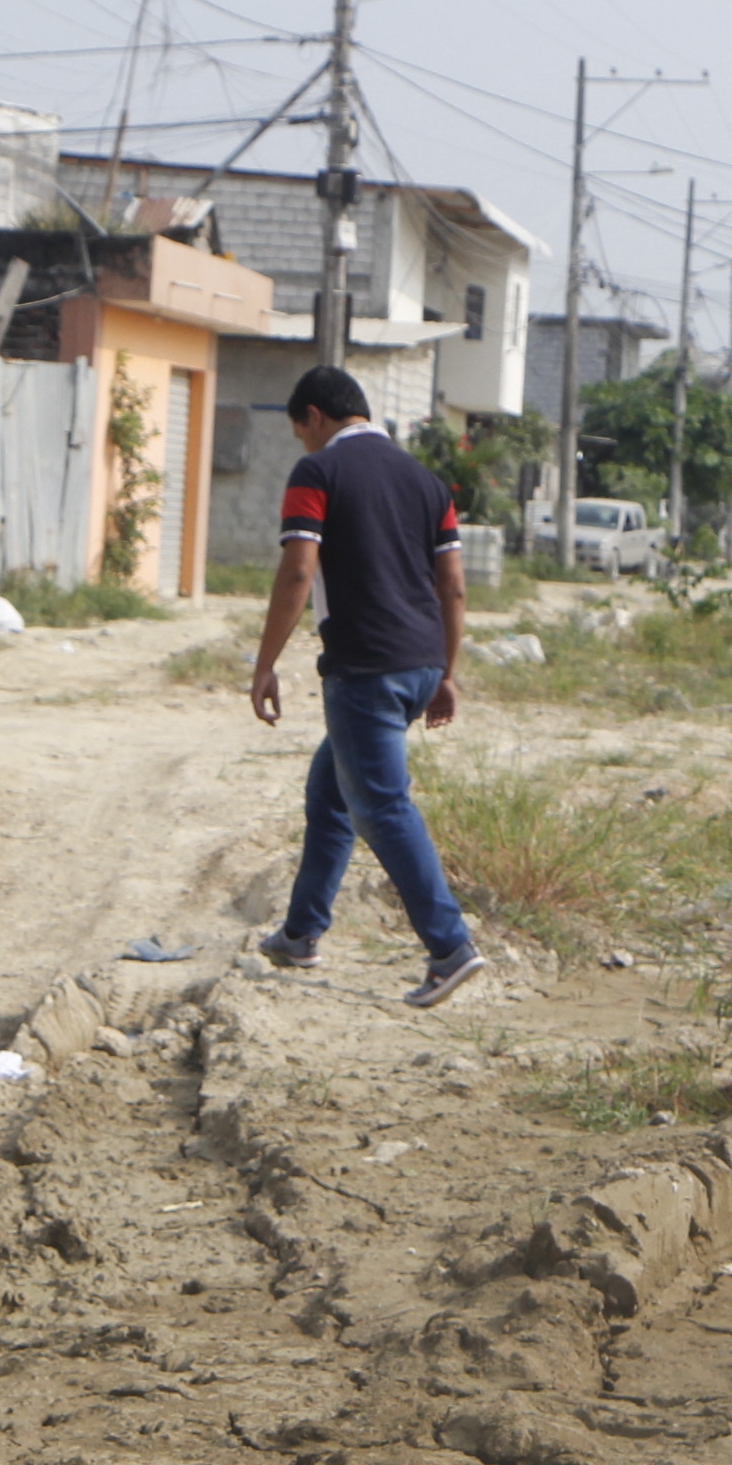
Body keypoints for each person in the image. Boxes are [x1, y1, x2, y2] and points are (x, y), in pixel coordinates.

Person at [248, 366, 486, 1009]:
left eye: (302, 432)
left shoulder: (317, 473)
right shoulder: (428, 482)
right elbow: (454, 587)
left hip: (366, 670)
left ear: (315, 417)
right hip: (418, 666)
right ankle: (301, 932)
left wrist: (266, 662)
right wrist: (446, 673)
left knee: (382, 806)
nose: (303, 445)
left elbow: (299, 572)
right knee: (331, 790)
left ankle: (450, 947)